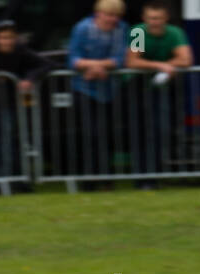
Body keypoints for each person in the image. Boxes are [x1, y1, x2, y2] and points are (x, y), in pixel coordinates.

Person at [0, 19, 49, 193]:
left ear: (15, 38)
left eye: (10, 37)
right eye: (2, 37)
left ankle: (13, 182)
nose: (6, 41)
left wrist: (29, 78)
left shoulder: (20, 50)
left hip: (7, 106)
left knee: (9, 145)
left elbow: (45, 64)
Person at [125, 0, 191, 189]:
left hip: (162, 87)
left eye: (159, 18)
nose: (155, 22)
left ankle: (153, 177)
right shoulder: (139, 32)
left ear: (166, 18)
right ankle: (141, 179)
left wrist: (167, 65)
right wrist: (161, 65)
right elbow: (133, 62)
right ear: (144, 18)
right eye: (152, 18)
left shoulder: (174, 33)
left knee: (160, 131)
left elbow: (186, 59)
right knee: (140, 132)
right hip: (137, 87)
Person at [66, 0, 128, 185]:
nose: (112, 19)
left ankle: (106, 178)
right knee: (89, 134)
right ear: (98, 13)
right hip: (84, 89)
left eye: (116, 16)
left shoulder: (126, 29)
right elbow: (73, 59)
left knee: (107, 135)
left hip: (110, 90)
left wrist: (98, 67)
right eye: (109, 15)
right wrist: (96, 66)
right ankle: (88, 179)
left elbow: (126, 57)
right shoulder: (82, 28)